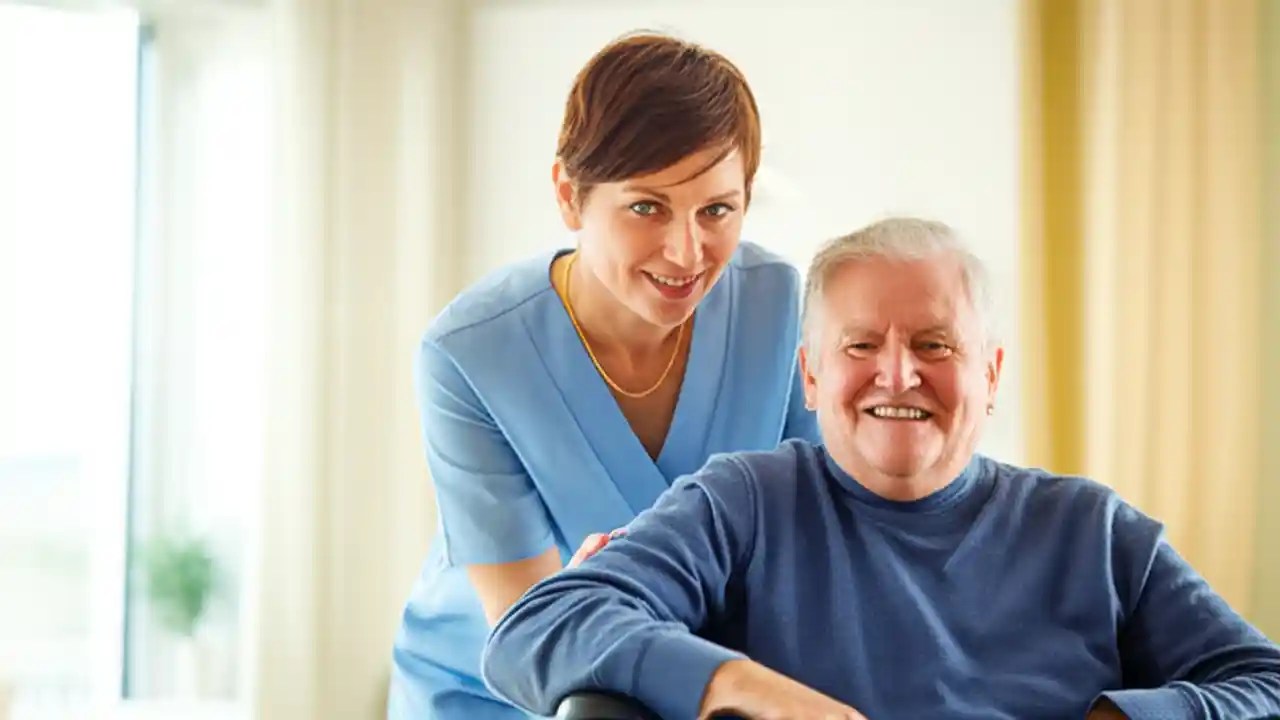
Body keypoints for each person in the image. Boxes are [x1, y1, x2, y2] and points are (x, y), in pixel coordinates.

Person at [481, 217, 1280, 720]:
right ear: (812, 377)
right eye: (860, 346)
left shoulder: (1095, 532)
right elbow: (536, 628)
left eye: (935, 345)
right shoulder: (744, 503)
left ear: (991, 374)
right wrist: (745, 687)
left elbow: (1261, 681)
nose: (898, 376)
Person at [387, 32, 821, 719]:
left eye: (717, 210)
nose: (687, 252)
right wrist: (727, 679)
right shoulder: (471, 355)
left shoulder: (779, 310)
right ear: (569, 195)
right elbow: (537, 631)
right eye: (646, 207)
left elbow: (813, 552)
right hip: (499, 691)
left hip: (710, 685)